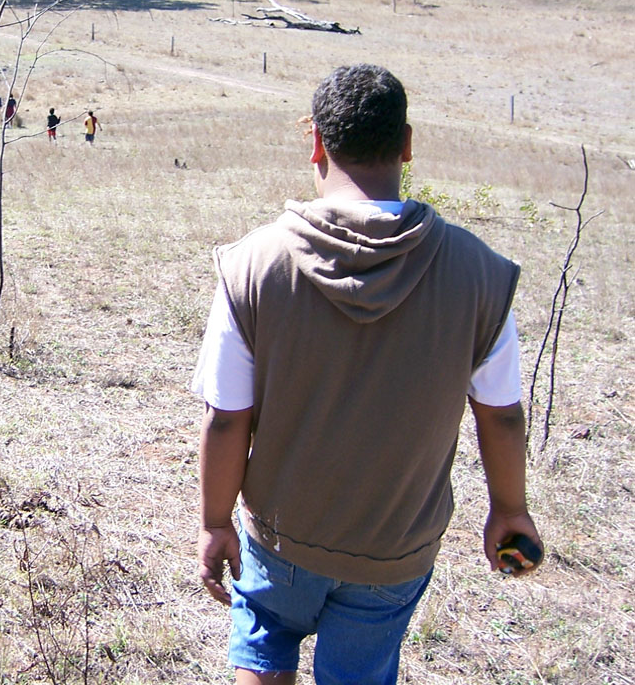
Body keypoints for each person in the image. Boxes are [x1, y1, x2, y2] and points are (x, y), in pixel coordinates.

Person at [194, 64, 541, 685]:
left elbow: (227, 419)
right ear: (406, 144)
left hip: (280, 538)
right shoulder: (480, 275)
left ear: (317, 145)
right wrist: (509, 509)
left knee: (265, 645)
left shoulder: (253, 265)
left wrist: (217, 522)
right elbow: (503, 412)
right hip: (395, 551)